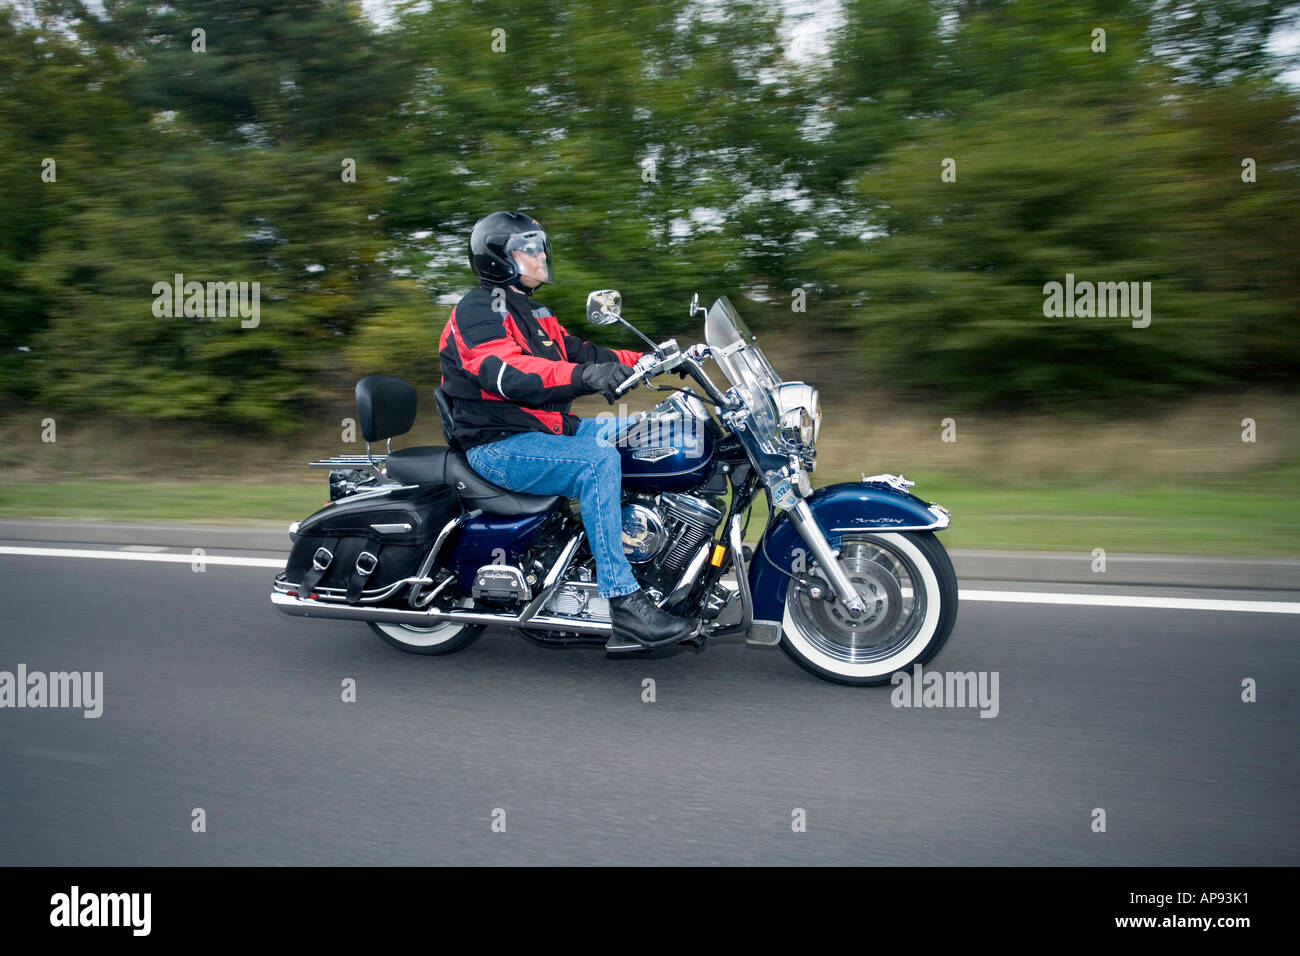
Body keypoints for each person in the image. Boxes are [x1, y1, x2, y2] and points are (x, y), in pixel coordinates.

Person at [438, 210, 694, 647]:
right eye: (528, 248)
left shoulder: (535, 312)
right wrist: (585, 378)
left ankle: (671, 552)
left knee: (665, 428)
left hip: (552, 431)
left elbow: (581, 351)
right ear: (499, 258)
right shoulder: (475, 310)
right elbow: (507, 372)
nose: (540, 256)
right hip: (499, 444)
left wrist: (652, 358)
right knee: (598, 461)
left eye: (540, 246)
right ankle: (623, 598)